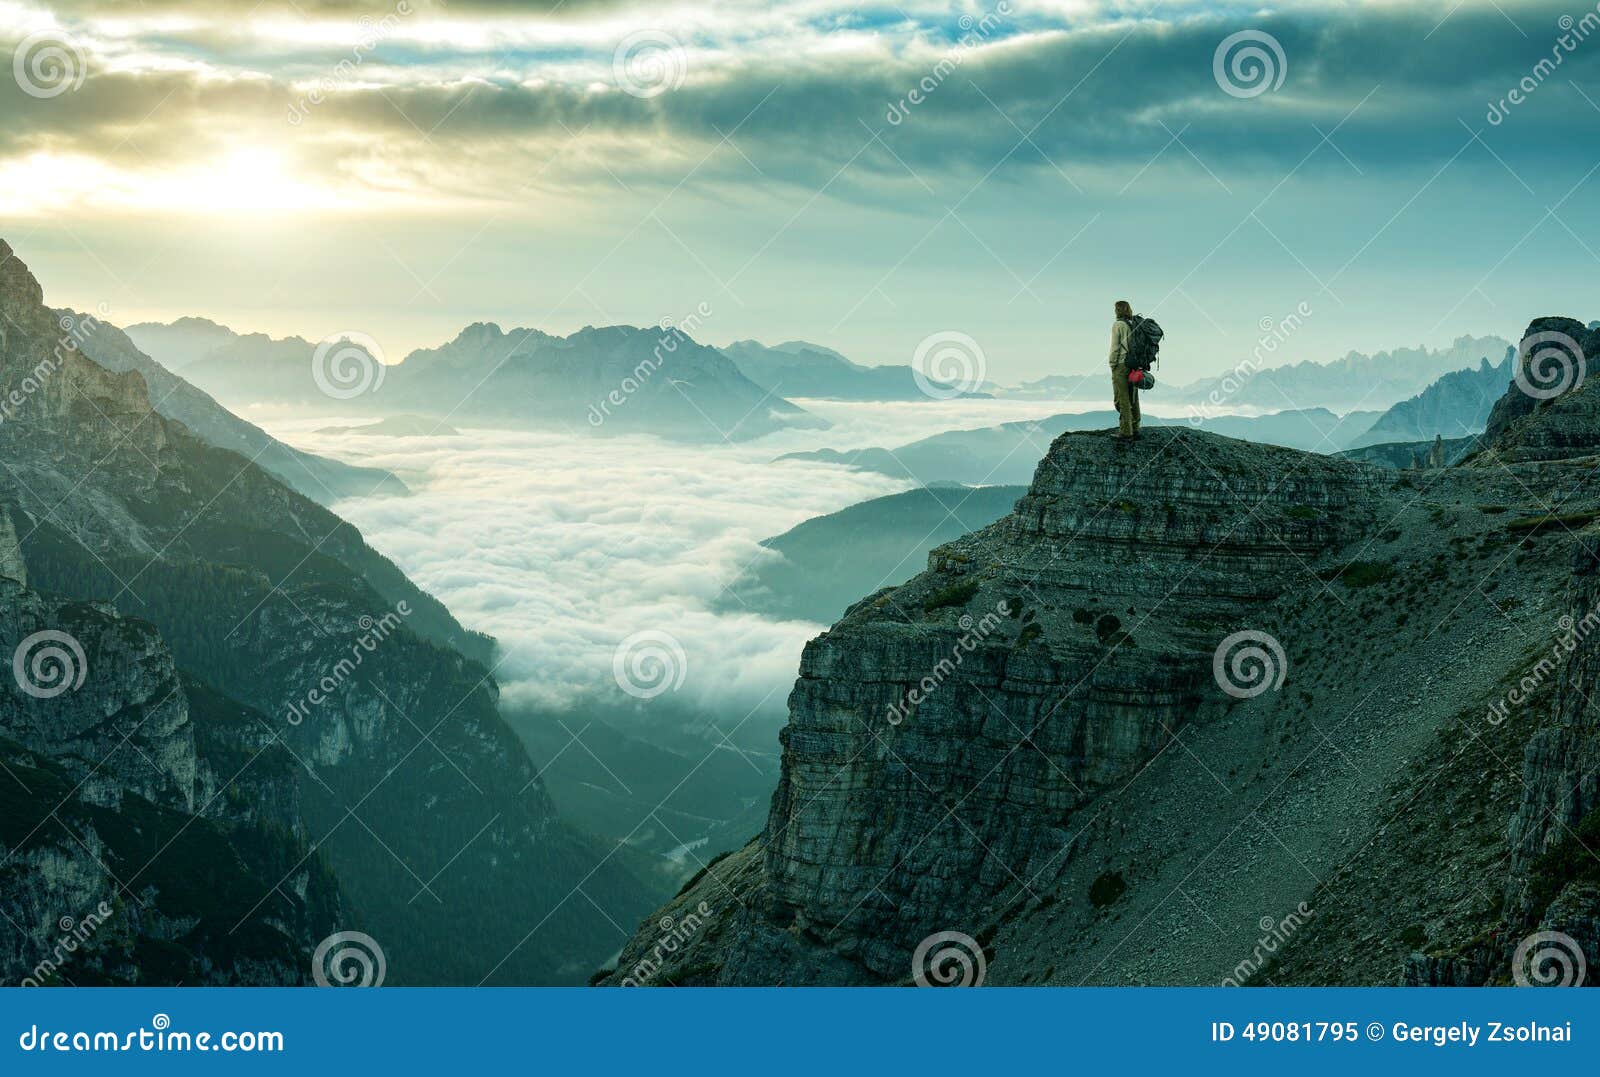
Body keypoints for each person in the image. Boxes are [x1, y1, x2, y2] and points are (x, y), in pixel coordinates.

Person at [1109, 299, 1140, 440]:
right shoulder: (1135, 323)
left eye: (1116, 309)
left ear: (1118, 310)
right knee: (1133, 396)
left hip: (1121, 364)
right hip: (1135, 365)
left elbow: (1115, 347)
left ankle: (1126, 432)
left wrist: (1112, 364)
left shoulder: (1118, 325)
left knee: (1122, 398)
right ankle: (1135, 427)